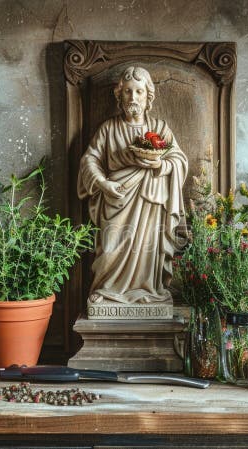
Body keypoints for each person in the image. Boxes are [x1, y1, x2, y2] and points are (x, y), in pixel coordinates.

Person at [77, 66, 188, 305]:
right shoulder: (109, 129)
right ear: (119, 95)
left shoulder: (159, 128)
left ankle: (149, 289)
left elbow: (178, 159)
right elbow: (90, 159)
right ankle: (106, 289)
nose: (133, 97)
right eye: (127, 92)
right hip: (117, 198)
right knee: (110, 248)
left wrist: (161, 165)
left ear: (148, 96)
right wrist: (103, 183)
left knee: (148, 250)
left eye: (139, 91)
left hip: (151, 199)